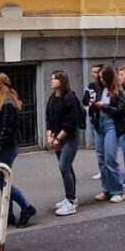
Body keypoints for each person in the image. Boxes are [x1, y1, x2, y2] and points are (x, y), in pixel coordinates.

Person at [0, 73, 36, 227]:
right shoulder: (2, 101)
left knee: (2, 183)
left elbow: (6, 131)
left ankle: (27, 208)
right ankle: (8, 215)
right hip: (5, 147)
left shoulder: (7, 104)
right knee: (4, 181)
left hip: (7, 148)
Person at [44, 70, 83, 216]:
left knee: (64, 166)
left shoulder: (70, 98)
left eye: (55, 79)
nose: (52, 81)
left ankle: (70, 202)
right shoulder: (52, 98)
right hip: (57, 135)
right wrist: (49, 135)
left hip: (69, 137)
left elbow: (71, 122)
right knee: (66, 167)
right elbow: (49, 118)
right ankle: (71, 197)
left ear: (62, 81)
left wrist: (57, 139)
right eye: (51, 78)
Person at [88, 65, 125, 202]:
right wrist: (93, 105)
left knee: (110, 158)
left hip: (111, 124)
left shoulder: (117, 91)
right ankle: (106, 189)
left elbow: (122, 110)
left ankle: (118, 190)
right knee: (101, 159)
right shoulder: (99, 89)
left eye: (103, 77)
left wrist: (104, 106)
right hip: (99, 124)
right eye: (100, 77)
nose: (101, 80)